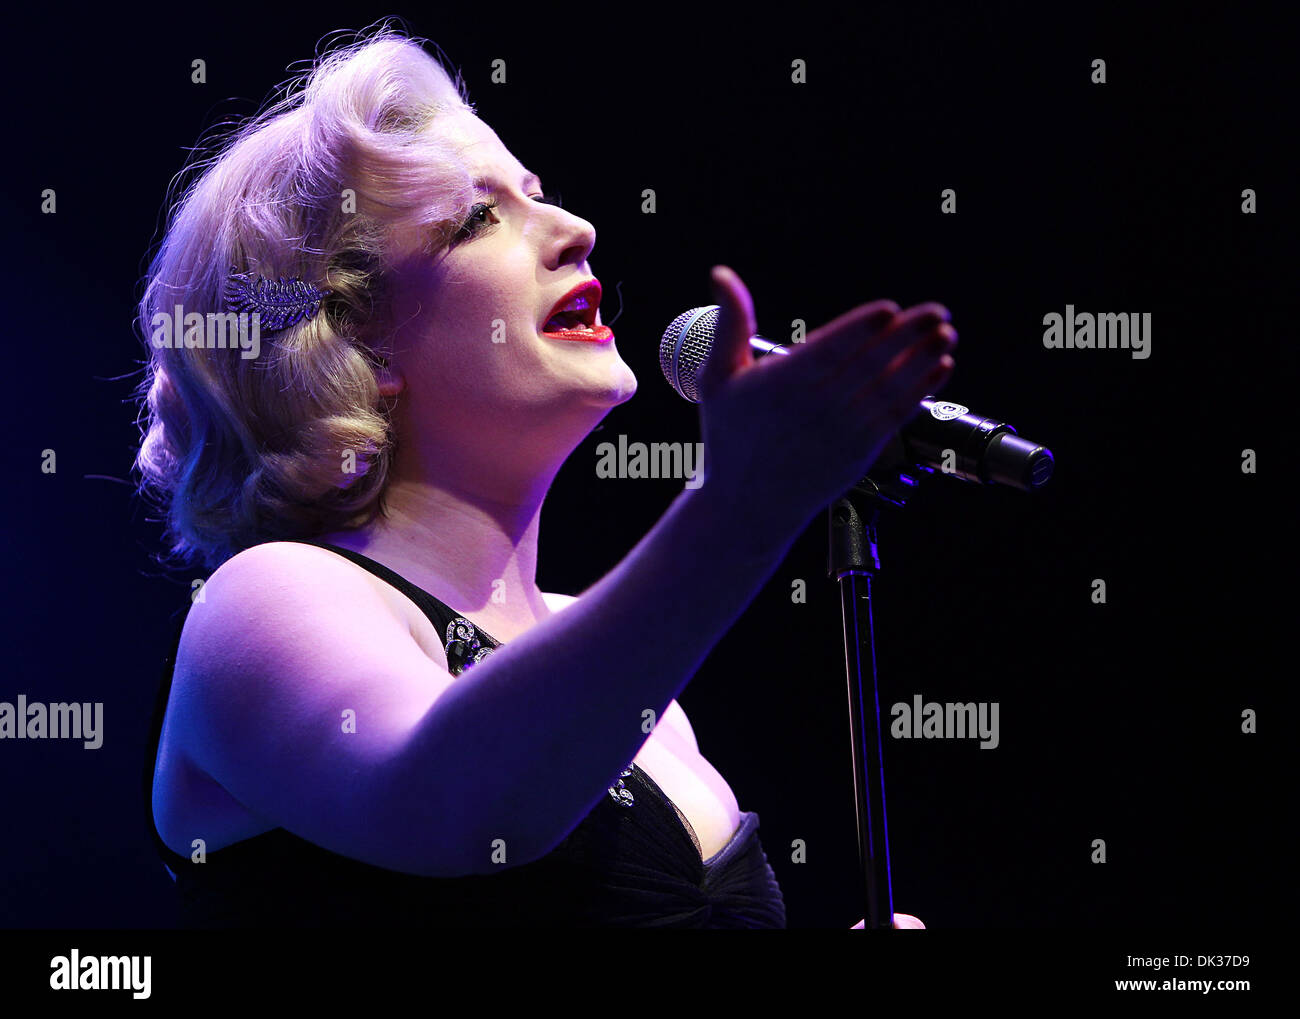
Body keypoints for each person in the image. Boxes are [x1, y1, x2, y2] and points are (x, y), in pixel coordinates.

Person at [137, 26, 952, 928]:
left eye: (537, 196)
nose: (576, 230)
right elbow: (458, 803)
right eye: (479, 218)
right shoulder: (263, 599)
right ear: (354, 343)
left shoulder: (642, 704)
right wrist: (740, 503)